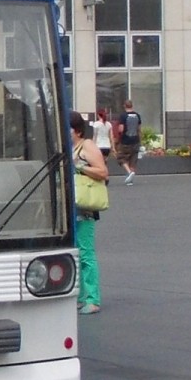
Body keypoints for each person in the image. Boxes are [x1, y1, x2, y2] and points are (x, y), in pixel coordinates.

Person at [70, 111, 107, 315]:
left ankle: (93, 298)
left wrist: (80, 167)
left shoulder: (87, 146)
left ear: (75, 130)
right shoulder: (71, 147)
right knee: (75, 252)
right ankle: (81, 295)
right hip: (71, 207)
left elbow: (102, 172)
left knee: (85, 252)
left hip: (84, 208)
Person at [115, 99, 142, 186]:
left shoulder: (123, 116)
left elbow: (121, 129)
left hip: (125, 140)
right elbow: (139, 129)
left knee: (121, 157)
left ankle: (129, 172)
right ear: (132, 106)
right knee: (133, 159)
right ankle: (130, 180)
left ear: (124, 106)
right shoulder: (137, 115)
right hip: (136, 140)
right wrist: (140, 140)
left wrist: (118, 137)